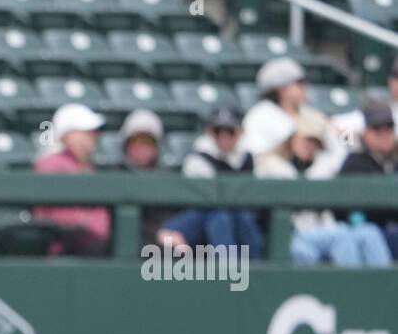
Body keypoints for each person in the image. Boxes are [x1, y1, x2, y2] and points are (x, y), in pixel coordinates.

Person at [253, 108, 390, 267]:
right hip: (294, 234)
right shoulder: (272, 165)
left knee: (363, 234)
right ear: (294, 138)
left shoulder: (324, 164)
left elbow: (348, 145)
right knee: (319, 246)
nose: (309, 145)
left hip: (325, 228)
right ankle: (350, 289)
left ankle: (380, 289)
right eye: (305, 139)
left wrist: (329, 126)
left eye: (314, 141)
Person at [157, 106, 265, 257]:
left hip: (242, 225)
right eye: (218, 131)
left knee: (235, 217)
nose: (223, 137)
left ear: (240, 133)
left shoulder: (250, 158)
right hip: (203, 227)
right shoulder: (199, 158)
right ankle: (230, 272)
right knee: (218, 216)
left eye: (230, 131)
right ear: (210, 132)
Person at [31, 103, 111, 256]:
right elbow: (60, 219)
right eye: (87, 132)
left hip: (91, 250)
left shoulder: (85, 166)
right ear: (68, 135)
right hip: (63, 250)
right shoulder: (52, 164)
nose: (94, 137)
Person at [334, 100, 398, 257]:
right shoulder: (354, 162)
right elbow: (343, 211)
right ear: (365, 133)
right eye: (376, 128)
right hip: (366, 233)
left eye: (388, 127)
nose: (384, 133)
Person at [116, 109, 177, 246]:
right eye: (135, 141)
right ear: (126, 145)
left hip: (164, 244)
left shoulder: (166, 178)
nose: (141, 148)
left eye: (147, 142)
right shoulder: (115, 175)